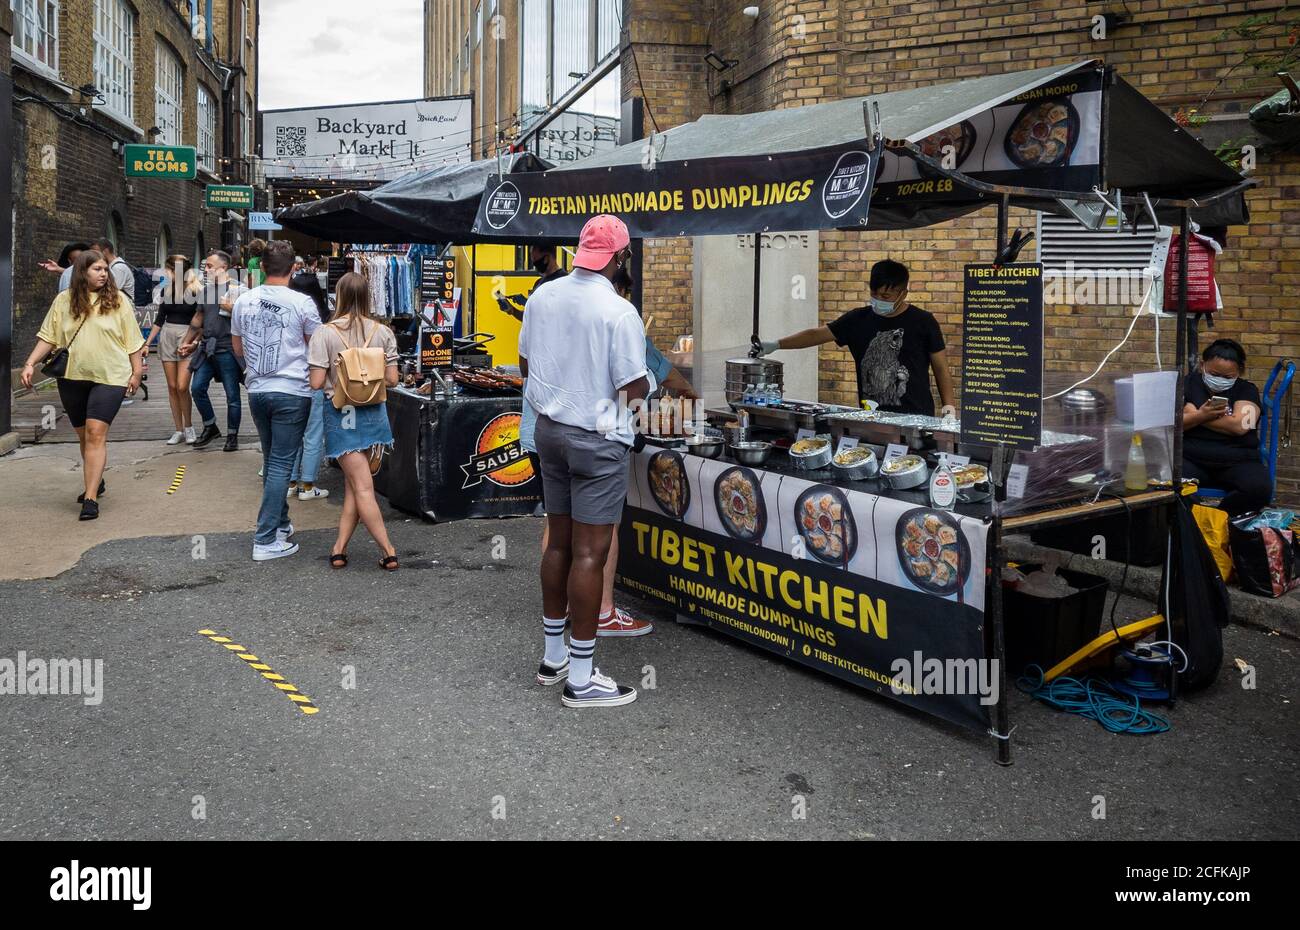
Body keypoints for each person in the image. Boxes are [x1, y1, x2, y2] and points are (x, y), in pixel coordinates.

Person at [519, 214, 651, 708]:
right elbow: (631, 388)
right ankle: (581, 676)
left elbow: (527, 366)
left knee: (559, 543)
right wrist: (648, 391)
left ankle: (553, 658)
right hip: (596, 439)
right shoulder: (619, 312)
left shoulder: (543, 296)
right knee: (590, 554)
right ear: (619, 258)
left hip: (550, 432)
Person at [20, 250, 145, 520]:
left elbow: (133, 340)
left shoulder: (118, 300)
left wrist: (136, 372)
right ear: (82, 272)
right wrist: (30, 363)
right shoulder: (64, 301)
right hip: (72, 376)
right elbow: (48, 337)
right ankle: (95, 479)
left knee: (96, 432)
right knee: (83, 434)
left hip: (110, 376)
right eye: (97, 269)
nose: (103, 273)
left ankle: (89, 499)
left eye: (105, 269)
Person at [756, 259, 956, 417]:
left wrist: (949, 407)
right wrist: (776, 344)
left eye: (886, 297)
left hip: (916, 415)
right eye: (874, 294)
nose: (879, 300)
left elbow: (941, 369)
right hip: (871, 414)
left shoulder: (923, 322)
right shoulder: (858, 319)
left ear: (903, 294)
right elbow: (816, 335)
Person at [230, 240, 322, 561]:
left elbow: (238, 349)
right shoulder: (303, 303)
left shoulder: (244, 301)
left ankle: (280, 525)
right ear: (294, 268)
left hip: (257, 390)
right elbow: (317, 347)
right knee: (282, 463)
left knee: (273, 461)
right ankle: (265, 538)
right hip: (292, 390)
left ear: (263, 267)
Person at [308, 272, 400, 570]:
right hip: (374, 416)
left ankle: (389, 551)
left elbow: (316, 381)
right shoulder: (383, 332)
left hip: (342, 416)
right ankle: (339, 548)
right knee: (356, 487)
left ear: (340, 295)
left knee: (361, 487)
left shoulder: (325, 332)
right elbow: (393, 378)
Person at [1182, 338, 1271, 517]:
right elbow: (1172, 423)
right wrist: (1205, 417)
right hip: (1191, 458)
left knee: (1259, 489)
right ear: (1202, 365)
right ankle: (1192, 529)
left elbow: (1240, 426)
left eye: (1227, 377)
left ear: (1239, 372)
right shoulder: (1187, 384)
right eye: (1214, 374)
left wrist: (1197, 415)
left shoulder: (1246, 390)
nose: (1220, 380)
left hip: (1238, 461)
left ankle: (1219, 522)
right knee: (1169, 486)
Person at [181, 251, 245, 451]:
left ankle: (232, 434)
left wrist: (232, 308)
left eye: (209, 266)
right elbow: (198, 319)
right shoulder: (205, 291)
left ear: (223, 268)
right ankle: (210, 426)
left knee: (232, 395)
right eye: (205, 266)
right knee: (197, 388)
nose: (205, 270)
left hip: (228, 348)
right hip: (207, 347)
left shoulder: (239, 290)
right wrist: (186, 342)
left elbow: (250, 318)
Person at [142, 254, 200, 444]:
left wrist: (194, 341)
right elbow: (160, 319)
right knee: (172, 386)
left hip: (187, 336)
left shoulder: (195, 290)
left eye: (167, 269)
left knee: (183, 386)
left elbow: (200, 320)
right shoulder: (166, 290)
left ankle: (189, 426)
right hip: (167, 334)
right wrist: (147, 342)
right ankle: (178, 429)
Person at [498, 245, 566, 320]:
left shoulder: (565, 281)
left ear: (546, 258)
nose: (534, 264)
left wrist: (528, 304)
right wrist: (512, 310)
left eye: (536, 260)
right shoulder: (538, 283)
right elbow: (530, 318)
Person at [91, 238, 135, 304]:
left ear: (105, 251)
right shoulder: (111, 266)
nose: (93, 256)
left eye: (96, 252)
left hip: (123, 307)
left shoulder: (118, 268)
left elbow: (113, 291)